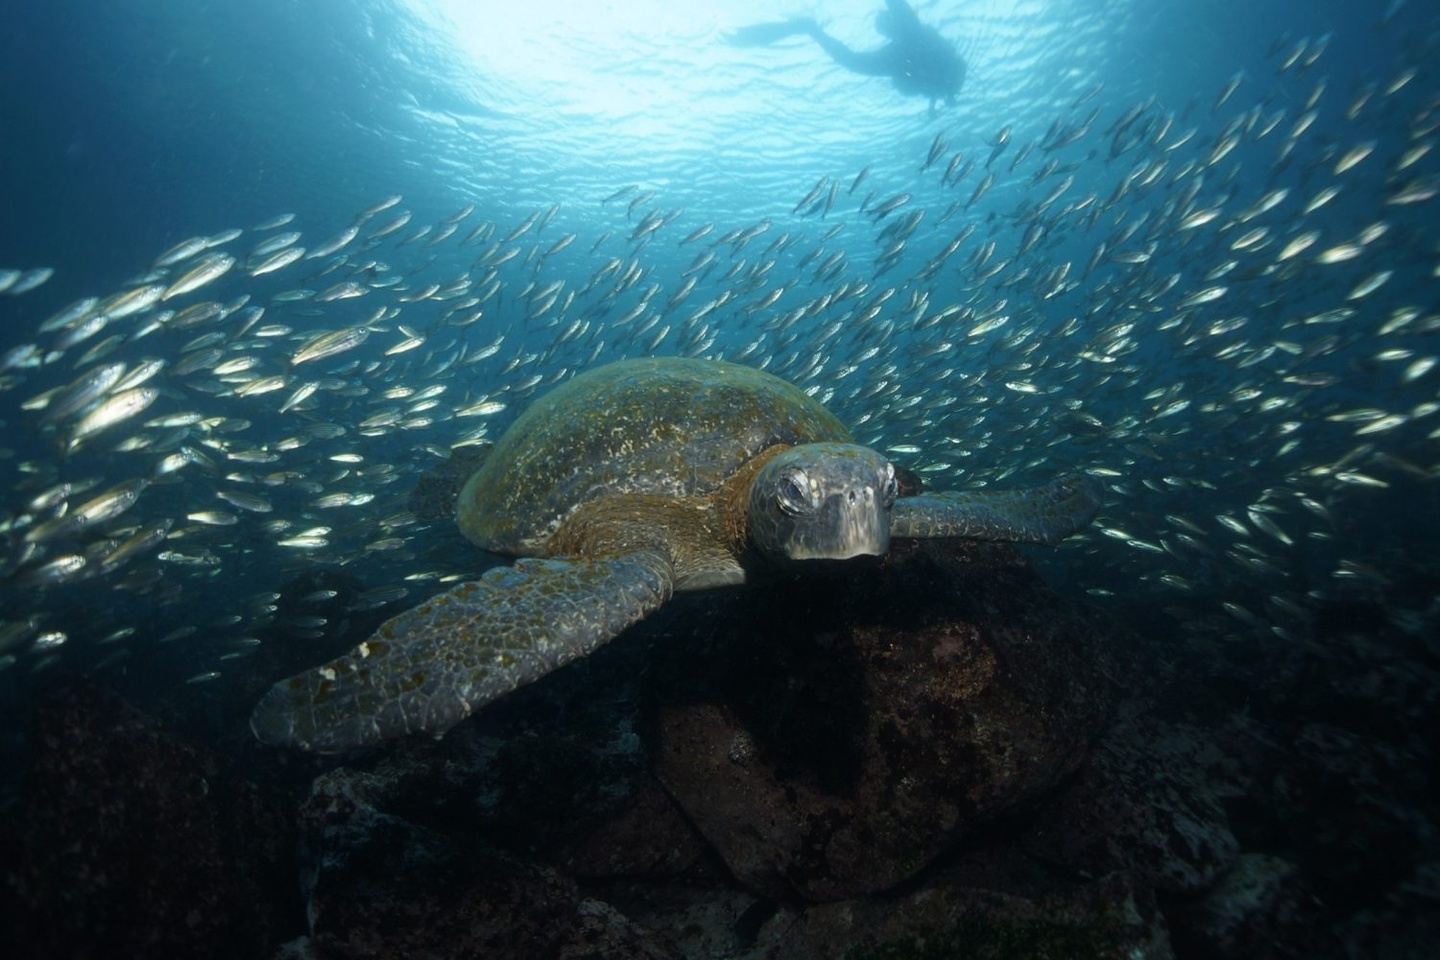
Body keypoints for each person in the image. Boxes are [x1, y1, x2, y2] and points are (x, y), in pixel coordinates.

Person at [728, 1, 965, 111]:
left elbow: (852, 62)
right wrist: (815, 32)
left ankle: (809, 28)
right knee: (856, 64)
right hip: (930, 75)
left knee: (856, 63)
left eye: (885, 26)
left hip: (929, 74)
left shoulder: (909, 32)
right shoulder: (904, 41)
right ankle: (809, 28)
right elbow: (852, 62)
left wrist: (815, 32)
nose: (887, 29)